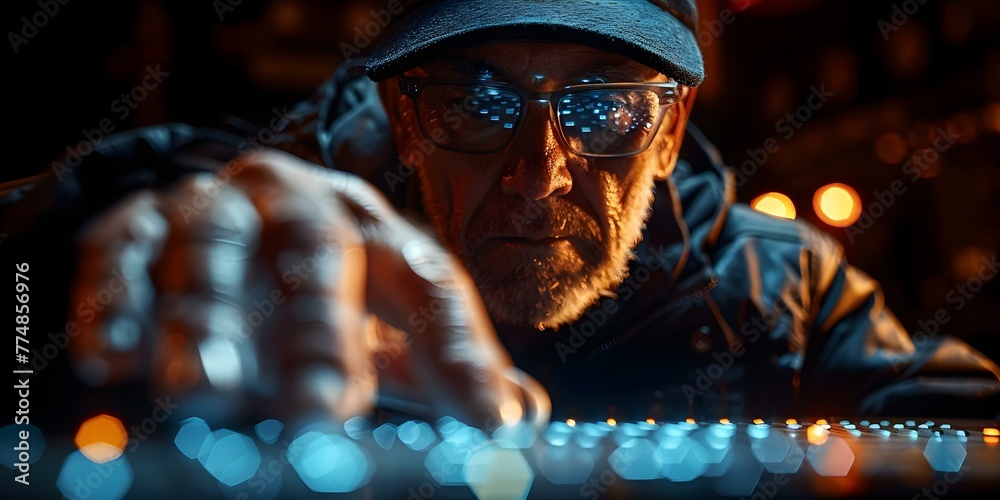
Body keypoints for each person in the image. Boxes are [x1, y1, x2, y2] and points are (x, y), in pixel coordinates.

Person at [2, 0, 998, 434]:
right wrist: (82, 266)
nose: (536, 175)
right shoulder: (284, 229)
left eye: (603, 106)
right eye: (478, 105)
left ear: (668, 129)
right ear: (405, 118)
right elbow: (97, 213)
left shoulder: (776, 288)